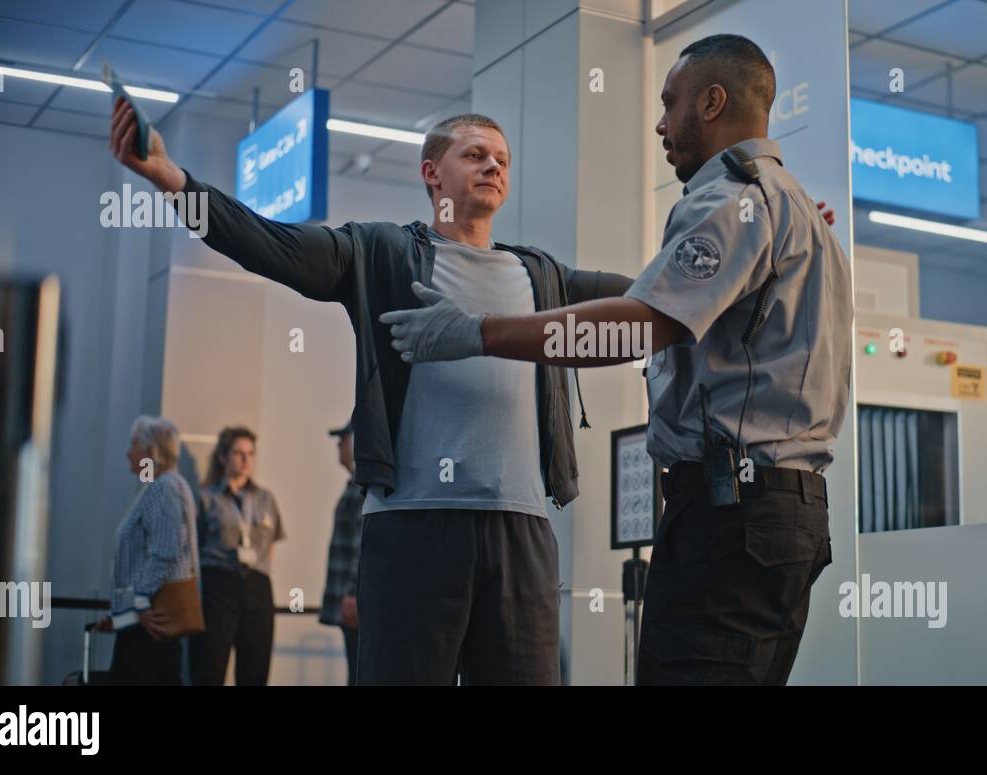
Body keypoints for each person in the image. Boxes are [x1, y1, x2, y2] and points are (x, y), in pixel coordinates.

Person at [109, 80, 832, 686]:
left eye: (502, 159)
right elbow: (265, 242)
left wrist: (782, 245)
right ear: (433, 174)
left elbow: (671, 296)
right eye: (474, 154)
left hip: (522, 533)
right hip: (413, 528)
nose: (493, 166)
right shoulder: (381, 254)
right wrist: (175, 181)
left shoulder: (543, 275)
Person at [382, 34, 852, 686]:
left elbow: (639, 327)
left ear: (712, 102)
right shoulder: (799, 209)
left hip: (731, 511)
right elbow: (667, 305)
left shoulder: (731, 201)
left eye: (671, 103)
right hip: (780, 513)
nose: (661, 123)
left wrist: (477, 333)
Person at [102, 416, 198, 686]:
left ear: (150, 451)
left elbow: (166, 550)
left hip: (149, 623)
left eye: (134, 444)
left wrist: (140, 602)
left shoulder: (164, 488)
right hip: (141, 621)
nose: (128, 452)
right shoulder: (161, 487)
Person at [189, 426, 286, 686]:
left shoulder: (266, 498)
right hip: (218, 585)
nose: (246, 460)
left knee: (255, 670)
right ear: (222, 457)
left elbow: (271, 547)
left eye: (251, 454)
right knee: (209, 667)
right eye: (238, 453)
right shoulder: (206, 497)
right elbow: (193, 546)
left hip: (257, 586)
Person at [318, 421, 365, 685]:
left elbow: (362, 544)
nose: (339, 444)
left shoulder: (362, 487)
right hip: (352, 600)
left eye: (344, 439)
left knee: (359, 675)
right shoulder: (356, 485)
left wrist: (352, 593)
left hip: (355, 602)